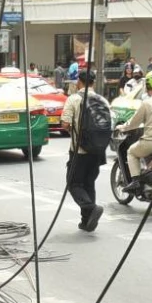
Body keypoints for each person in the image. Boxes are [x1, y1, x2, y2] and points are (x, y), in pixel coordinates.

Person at [62, 68, 110, 231]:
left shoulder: (74, 99)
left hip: (79, 150)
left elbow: (65, 123)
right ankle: (87, 221)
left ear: (79, 82)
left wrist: (73, 130)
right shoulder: (102, 100)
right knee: (89, 183)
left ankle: (90, 208)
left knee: (74, 183)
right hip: (98, 151)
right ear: (93, 82)